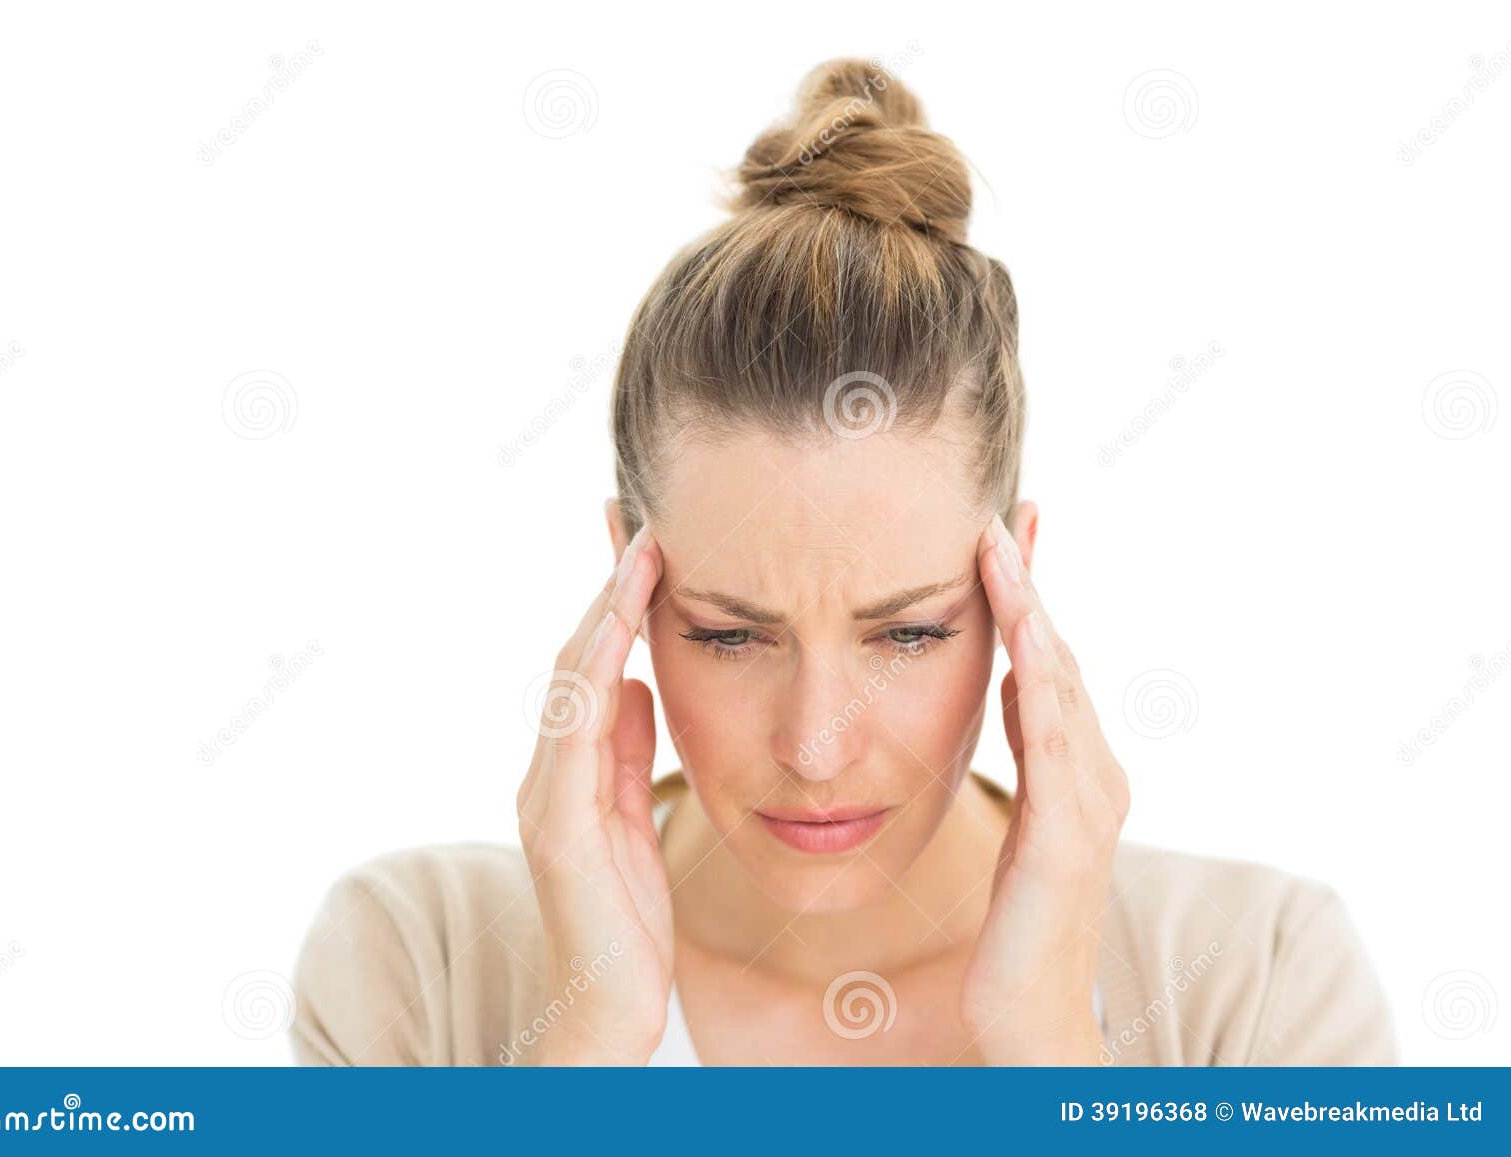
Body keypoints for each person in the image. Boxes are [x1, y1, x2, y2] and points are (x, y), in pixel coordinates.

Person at [289, 58, 1395, 1067]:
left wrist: (1048, 1046)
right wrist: (592, 1040)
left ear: (1017, 586)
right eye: (729, 632)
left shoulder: (1256, 984)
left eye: (906, 632)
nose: (815, 746)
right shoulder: (418, 965)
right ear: (625, 581)